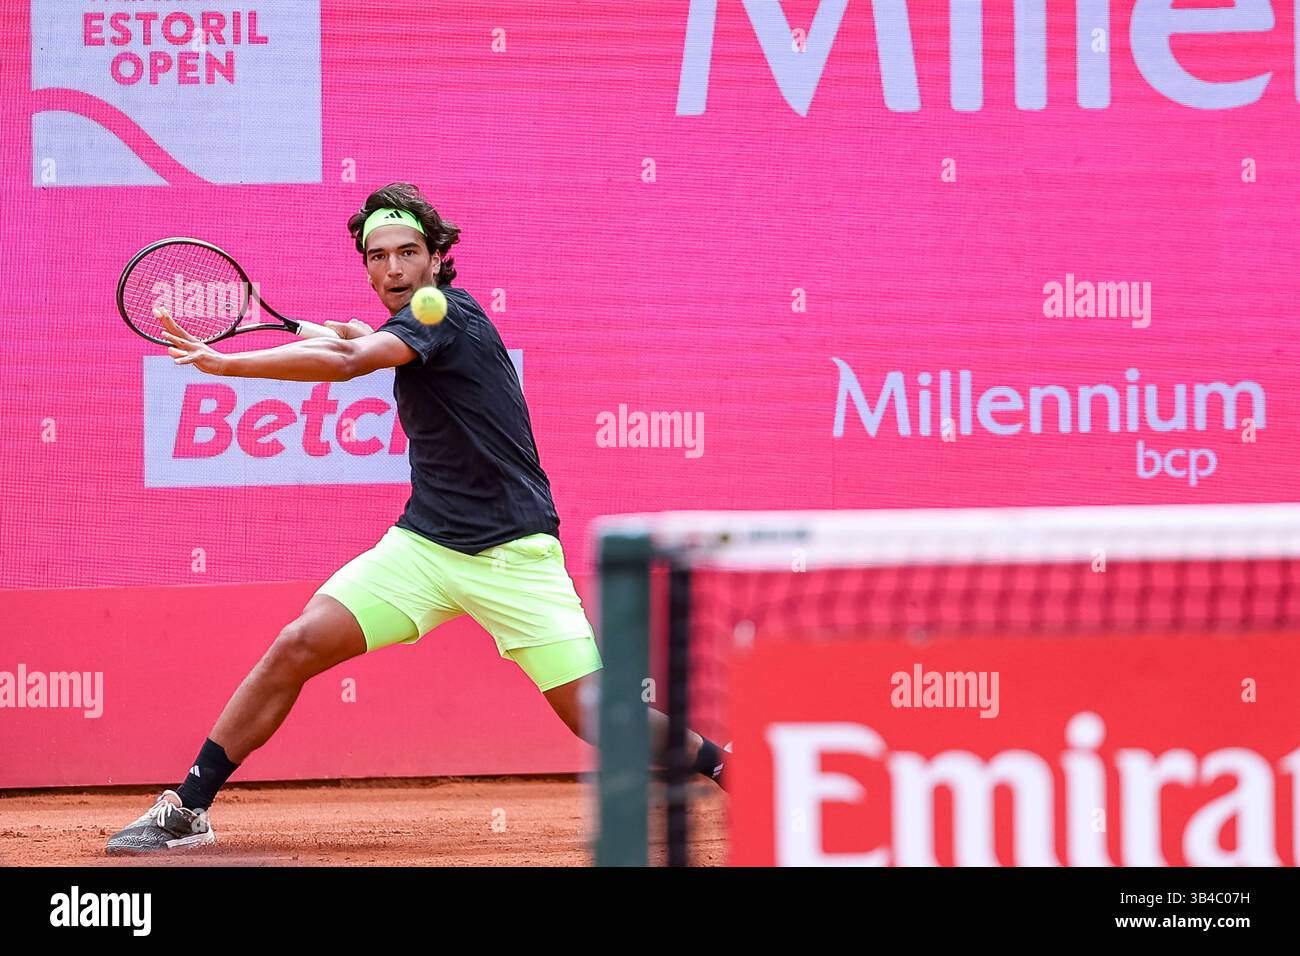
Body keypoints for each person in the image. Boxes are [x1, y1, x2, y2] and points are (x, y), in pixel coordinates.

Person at [105, 183, 728, 854]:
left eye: (408, 253)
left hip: (513, 552)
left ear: (437, 258)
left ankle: (726, 764)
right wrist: (339, 332)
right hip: (423, 547)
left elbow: (349, 360)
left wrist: (226, 363)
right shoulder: (414, 325)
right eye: (378, 257)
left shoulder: (447, 314)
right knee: (298, 644)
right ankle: (187, 808)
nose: (394, 269)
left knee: (595, 713)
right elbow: (355, 339)